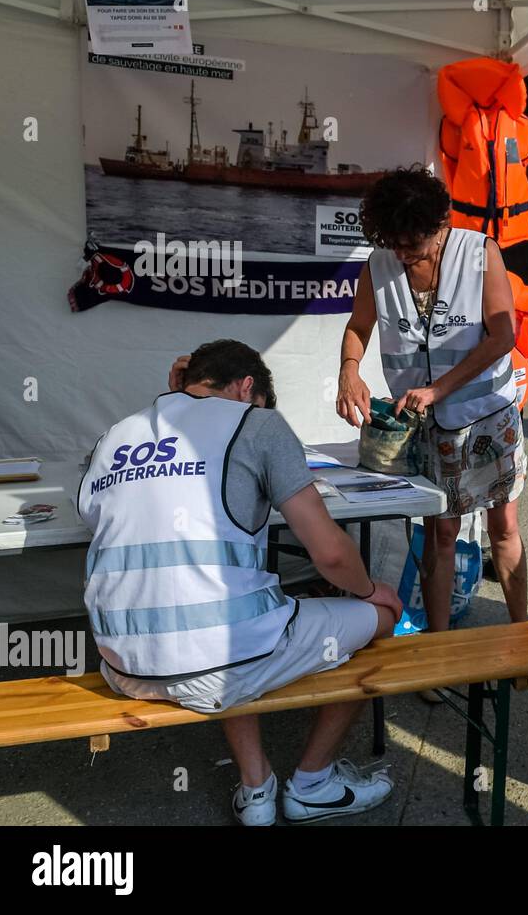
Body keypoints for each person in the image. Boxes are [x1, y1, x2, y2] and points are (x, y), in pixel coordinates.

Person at [81, 340, 403, 826]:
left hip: (122, 664)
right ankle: (313, 784)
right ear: (248, 388)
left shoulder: (113, 436)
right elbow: (333, 555)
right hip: (219, 659)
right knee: (374, 618)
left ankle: (257, 789)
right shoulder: (257, 423)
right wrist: (368, 591)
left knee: (239, 613)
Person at [336, 166, 528, 637]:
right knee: (440, 533)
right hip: (426, 426)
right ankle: (437, 647)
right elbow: (359, 327)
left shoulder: (480, 252)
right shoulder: (380, 262)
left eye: (411, 244)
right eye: (393, 243)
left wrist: (442, 387)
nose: (401, 254)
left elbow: (503, 334)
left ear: (438, 226)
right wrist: (348, 370)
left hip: (486, 416)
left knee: (503, 526)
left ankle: (523, 631)